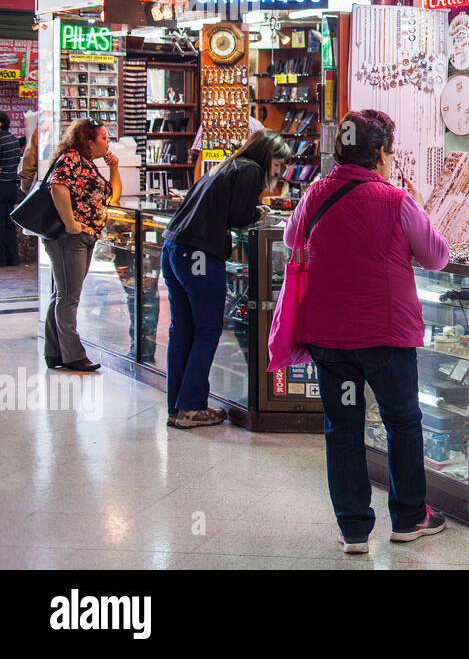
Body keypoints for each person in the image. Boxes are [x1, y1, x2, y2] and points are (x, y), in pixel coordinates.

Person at [286, 109, 450, 555]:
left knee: (342, 427)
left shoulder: (314, 194)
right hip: (386, 335)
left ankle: (354, 529)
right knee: (402, 422)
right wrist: (421, 208)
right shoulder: (396, 200)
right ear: (380, 153)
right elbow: (436, 257)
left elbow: (290, 240)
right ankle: (409, 518)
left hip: (329, 336)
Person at [162, 129, 290, 428]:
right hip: (200, 255)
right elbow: (239, 216)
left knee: (181, 331)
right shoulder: (251, 169)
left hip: (174, 249)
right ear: (267, 156)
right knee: (207, 332)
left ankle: (177, 407)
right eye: (278, 163)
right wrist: (258, 215)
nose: (279, 171)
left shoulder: (224, 165)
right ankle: (191, 407)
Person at [43, 118, 121, 372]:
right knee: (68, 297)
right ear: (88, 141)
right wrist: (70, 223)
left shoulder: (87, 164)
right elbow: (57, 186)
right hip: (71, 238)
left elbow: (113, 196)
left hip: (84, 236)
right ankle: (73, 355)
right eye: (103, 138)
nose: (107, 142)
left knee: (62, 295)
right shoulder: (71, 158)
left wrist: (114, 168)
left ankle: (55, 352)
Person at [0, 111, 25, 265]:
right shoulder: (12, 140)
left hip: (1, 186)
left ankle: (1, 259)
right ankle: (13, 258)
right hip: (11, 187)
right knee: (8, 224)